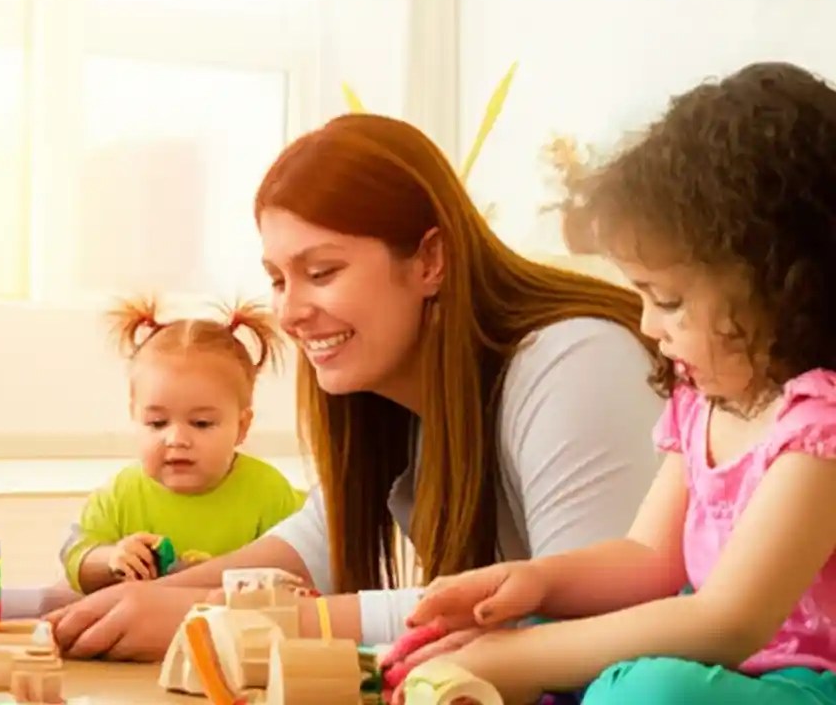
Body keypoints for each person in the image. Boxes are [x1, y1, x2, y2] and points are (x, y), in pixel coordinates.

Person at [45, 113, 666, 661]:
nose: (289, 314)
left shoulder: (576, 361)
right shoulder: (408, 403)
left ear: (429, 261)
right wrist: (111, 606)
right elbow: (306, 546)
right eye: (279, 279)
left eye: (322, 271)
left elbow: (583, 616)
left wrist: (230, 617)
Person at [397, 62, 836, 704]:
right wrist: (536, 582)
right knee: (557, 641)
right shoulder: (702, 405)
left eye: (670, 300)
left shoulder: (818, 428)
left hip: (804, 686)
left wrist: (524, 657)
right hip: (711, 665)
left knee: (650, 689)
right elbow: (648, 558)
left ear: (781, 285)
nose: (647, 324)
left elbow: (727, 622)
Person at [60, 297, 303, 594]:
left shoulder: (269, 492)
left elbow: (308, 561)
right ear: (135, 417)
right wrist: (112, 558)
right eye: (157, 423)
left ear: (241, 427)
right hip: (140, 635)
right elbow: (75, 556)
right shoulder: (122, 493)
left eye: (201, 424)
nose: (176, 439)